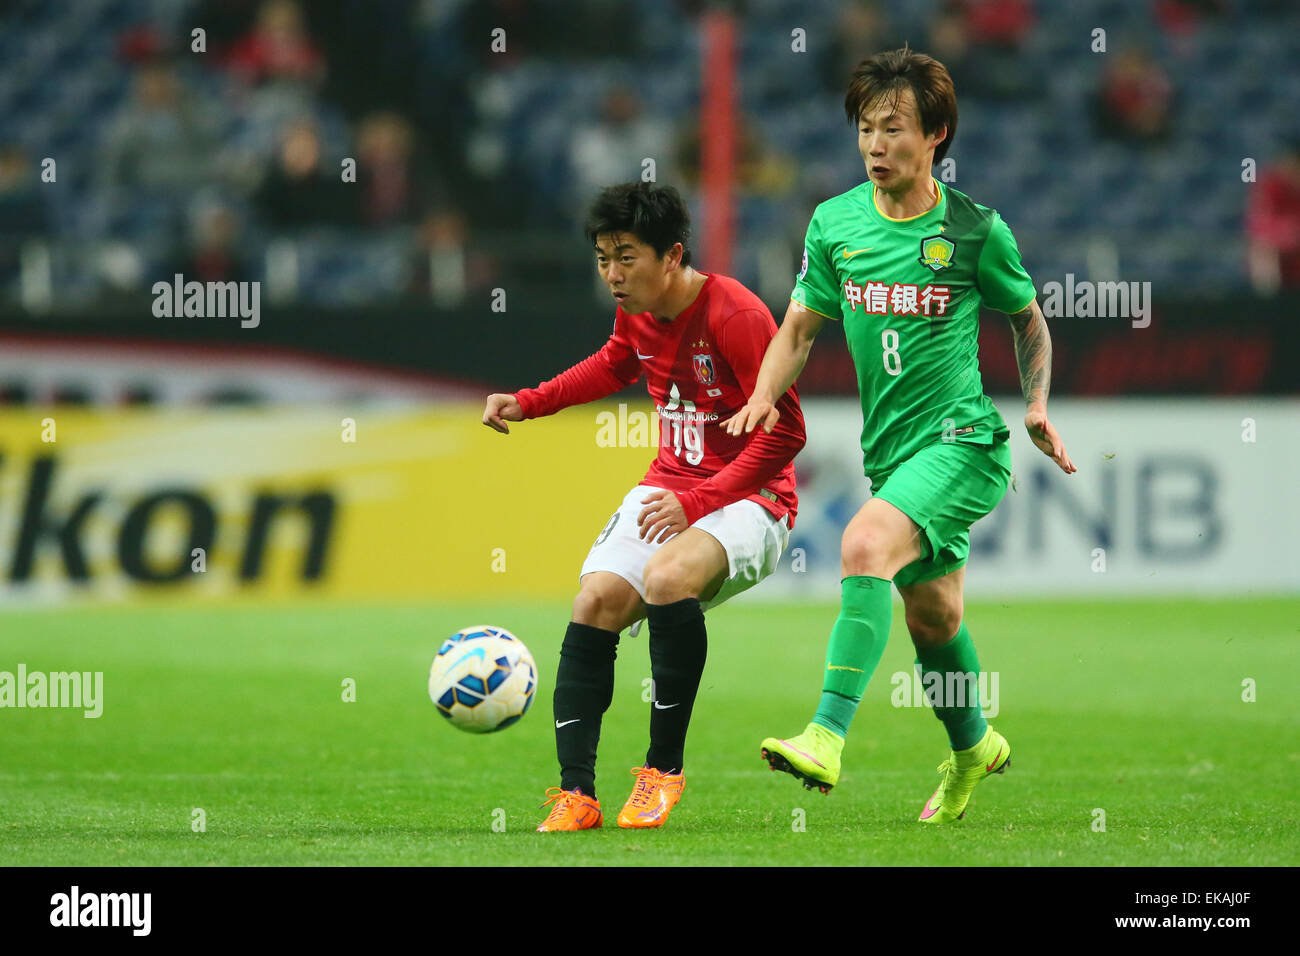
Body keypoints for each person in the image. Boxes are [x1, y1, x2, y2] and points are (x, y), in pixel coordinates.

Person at [725, 46, 1076, 824]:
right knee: (934, 621)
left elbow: (1029, 322)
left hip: (963, 443)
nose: (875, 145)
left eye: (893, 129)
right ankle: (974, 749)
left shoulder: (976, 231)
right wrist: (759, 396)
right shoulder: (834, 223)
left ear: (937, 135)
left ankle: (825, 734)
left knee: (862, 547)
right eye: (865, 130)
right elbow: (799, 329)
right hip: (891, 453)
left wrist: (1038, 404)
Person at [482, 182, 805, 832]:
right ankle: (578, 795)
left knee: (665, 579)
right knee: (594, 601)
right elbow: (612, 364)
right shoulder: (635, 313)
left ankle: (663, 772)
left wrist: (700, 500)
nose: (612, 274)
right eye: (603, 257)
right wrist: (531, 400)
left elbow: (787, 433)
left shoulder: (736, 315)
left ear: (672, 255)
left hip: (752, 498)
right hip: (675, 490)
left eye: (626, 256)